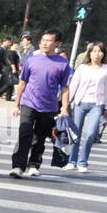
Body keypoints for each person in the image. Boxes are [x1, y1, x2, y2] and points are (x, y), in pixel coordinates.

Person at [10, 28, 71, 178]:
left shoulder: (63, 64)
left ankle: (33, 164)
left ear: (57, 43)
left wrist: (64, 108)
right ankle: (18, 166)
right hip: (28, 102)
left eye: (49, 41)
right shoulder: (32, 59)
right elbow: (23, 82)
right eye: (43, 40)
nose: (45, 43)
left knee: (39, 137)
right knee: (24, 133)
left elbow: (65, 88)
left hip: (49, 106)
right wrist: (16, 103)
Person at [63, 40, 107, 173]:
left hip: (97, 105)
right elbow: (73, 86)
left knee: (91, 133)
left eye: (100, 51)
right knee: (76, 133)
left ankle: (83, 162)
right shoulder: (82, 68)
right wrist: (66, 104)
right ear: (90, 53)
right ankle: (72, 161)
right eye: (94, 51)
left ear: (104, 54)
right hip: (80, 103)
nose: (97, 54)